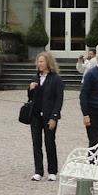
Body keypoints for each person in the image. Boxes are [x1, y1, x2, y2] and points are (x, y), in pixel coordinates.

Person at [27, 52, 63, 181]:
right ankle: (38, 171)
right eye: (38, 61)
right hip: (36, 115)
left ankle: (52, 171)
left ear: (48, 62)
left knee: (49, 142)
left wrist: (54, 117)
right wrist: (30, 89)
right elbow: (31, 98)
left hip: (49, 115)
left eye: (41, 61)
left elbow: (59, 99)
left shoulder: (56, 79)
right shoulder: (35, 77)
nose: (39, 64)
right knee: (36, 143)